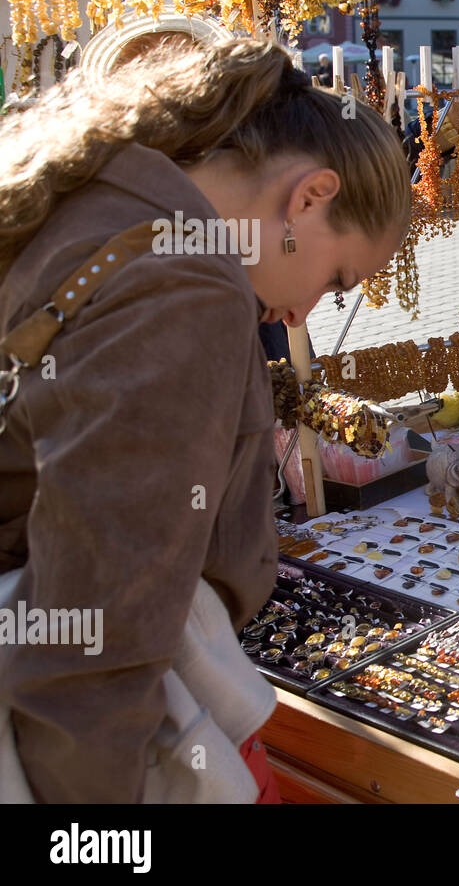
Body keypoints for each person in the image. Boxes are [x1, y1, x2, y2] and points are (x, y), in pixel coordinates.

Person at [0, 39, 411, 802]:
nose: (301, 311)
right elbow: (96, 634)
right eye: (337, 279)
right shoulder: (187, 287)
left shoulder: (89, 201)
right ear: (310, 196)